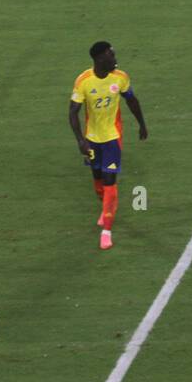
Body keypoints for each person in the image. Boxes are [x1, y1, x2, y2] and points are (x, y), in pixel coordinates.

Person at [69, 41, 148, 249]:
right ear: (99, 59)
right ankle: (105, 210)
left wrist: (142, 124)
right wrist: (80, 140)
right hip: (92, 140)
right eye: (110, 55)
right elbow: (73, 112)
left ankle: (107, 231)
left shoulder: (120, 78)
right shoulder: (84, 81)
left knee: (110, 181)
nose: (114, 58)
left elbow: (132, 100)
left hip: (113, 138)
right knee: (98, 181)